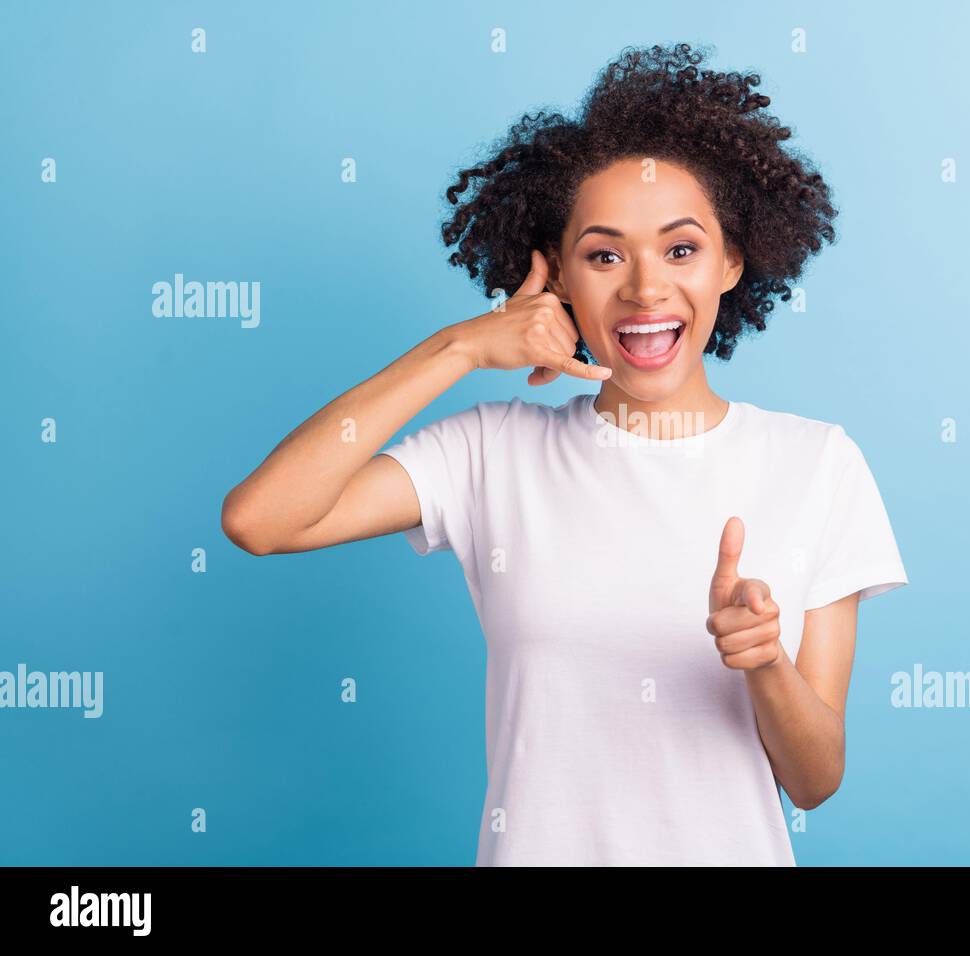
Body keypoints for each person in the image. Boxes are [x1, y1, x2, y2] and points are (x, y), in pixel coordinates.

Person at [221, 42, 909, 866]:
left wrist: (764, 663)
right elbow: (259, 520)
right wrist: (459, 349)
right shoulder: (492, 452)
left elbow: (815, 778)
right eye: (605, 254)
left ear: (732, 261)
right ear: (560, 283)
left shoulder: (819, 464)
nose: (646, 287)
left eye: (681, 249)